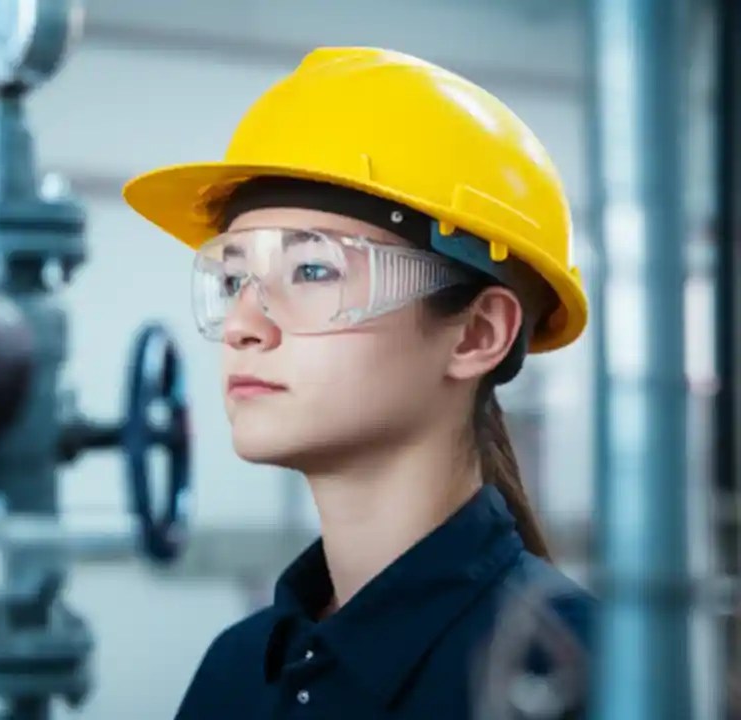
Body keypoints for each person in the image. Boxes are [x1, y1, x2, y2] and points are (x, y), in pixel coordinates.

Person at [122, 47, 595, 718]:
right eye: (232, 280)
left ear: (476, 334)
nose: (242, 325)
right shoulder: (236, 674)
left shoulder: (586, 680)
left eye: (313, 271)